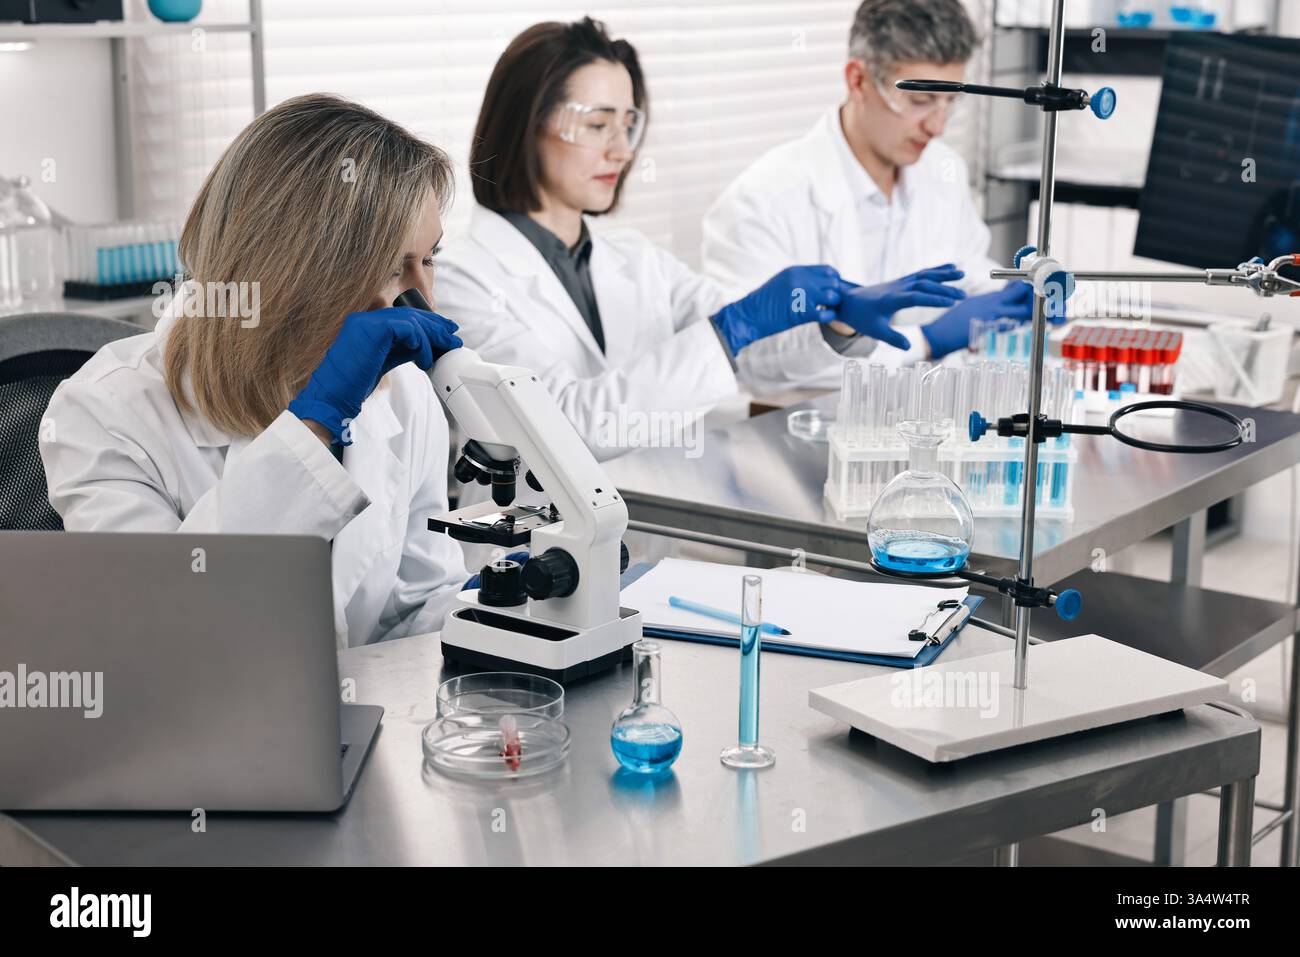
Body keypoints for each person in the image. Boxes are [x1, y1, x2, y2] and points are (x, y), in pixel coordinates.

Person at [40, 94, 470, 647]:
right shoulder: (102, 413)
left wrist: (495, 619)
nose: (420, 298)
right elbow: (160, 639)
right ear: (289, 270)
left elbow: (411, 608)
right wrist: (317, 422)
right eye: (391, 267)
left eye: (428, 258)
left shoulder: (403, 393)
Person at [434, 17, 964, 464]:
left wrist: (837, 325)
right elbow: (566, 427)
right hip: (529, 565)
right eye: (598, 125)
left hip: (655, 541)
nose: (621, 150)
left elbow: (757, 362)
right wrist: (733, 327)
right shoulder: (462, 282)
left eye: (628, 125)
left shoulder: (637, 260)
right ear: (527, 126)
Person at [703, 0, 1036, 392]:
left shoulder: (942, 171)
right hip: (803, 428)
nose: (938, 125)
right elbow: (751, 358)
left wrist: (1013, 294)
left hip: (921, 418)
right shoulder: (761, 200)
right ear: (858, 79)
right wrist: (925, 340)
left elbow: (964, 270)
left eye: (951, 100)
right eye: (920, 100)